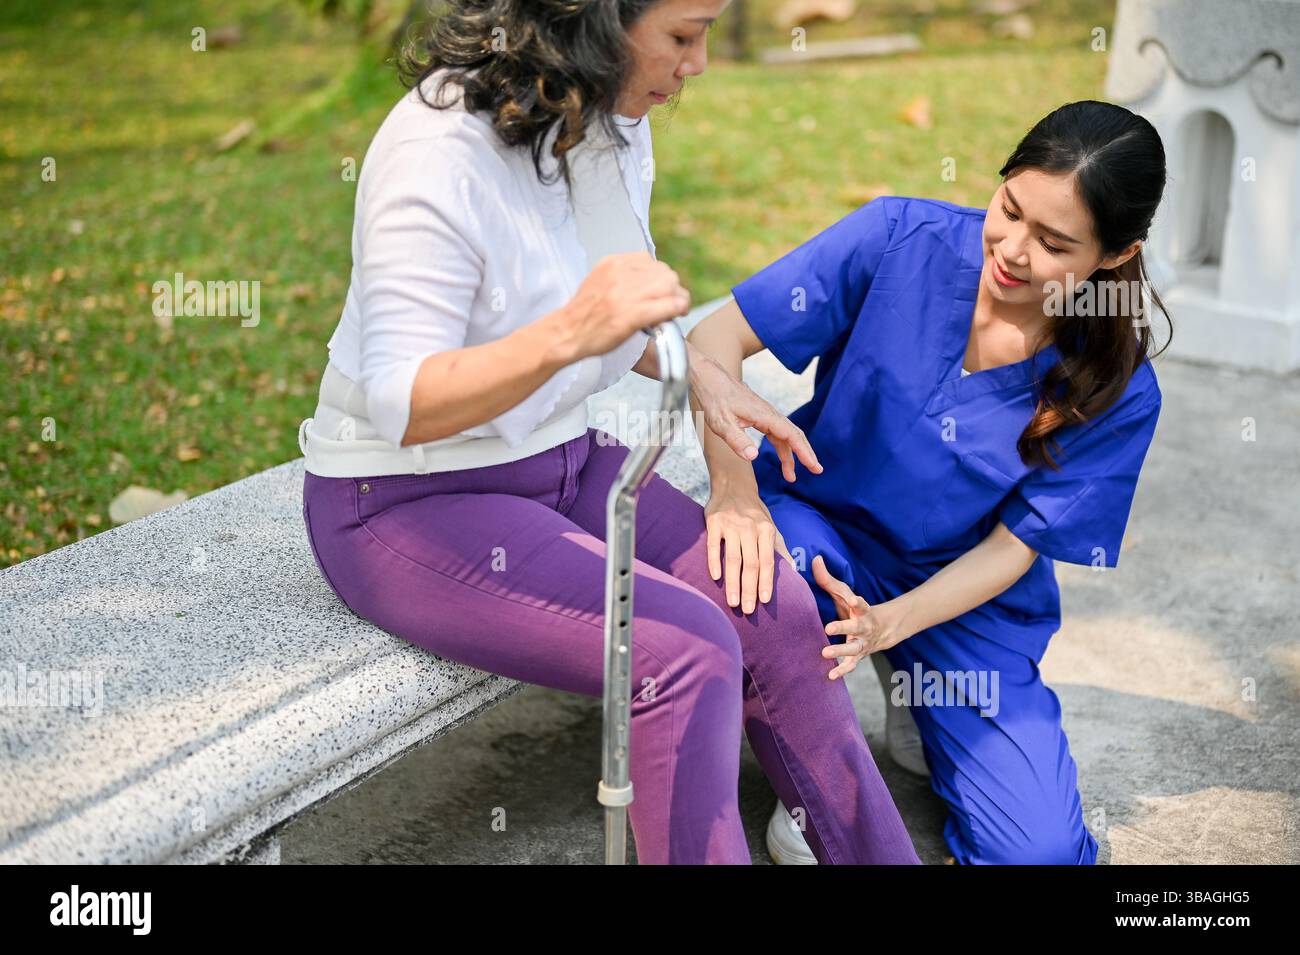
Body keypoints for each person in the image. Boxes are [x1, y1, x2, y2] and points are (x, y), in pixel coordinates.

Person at [297, 0, 920, 865]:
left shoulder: (609, 123)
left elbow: (619, 315)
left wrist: (705, 379)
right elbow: (406, 401)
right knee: (682, 654)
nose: (697, 63)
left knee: (772, 607)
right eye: (680, 35)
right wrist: (569, 331)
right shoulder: (437, 150)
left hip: (560, 463)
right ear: (591, 24)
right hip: (406, 501)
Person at [687, 100, 1170, 864]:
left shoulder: (1119, 388)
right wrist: (735, 492)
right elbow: (714, 338)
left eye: (1053, 243)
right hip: (821, 527)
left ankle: (915, 688)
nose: (1011, 249)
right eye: (1008, 208)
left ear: (1114, 256)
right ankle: (816, 775)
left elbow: (1014, 550)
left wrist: (894, 623)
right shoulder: (897, 238)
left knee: (1039, 853)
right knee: (749, 579)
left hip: (963, 598)